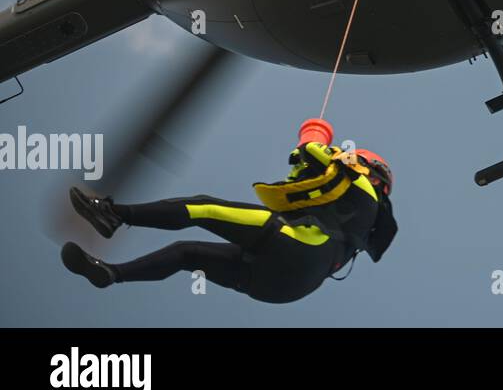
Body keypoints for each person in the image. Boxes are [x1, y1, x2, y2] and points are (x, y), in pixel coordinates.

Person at [60, 119, 396, 304]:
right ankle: (111, 274)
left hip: (297, 246)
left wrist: (314, 131)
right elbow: (306, 181)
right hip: (283, 288)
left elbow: (313, 150)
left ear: (369, 169)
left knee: (205, 208)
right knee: (187, 254)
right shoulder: (360, 217)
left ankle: (115, 214)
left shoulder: (364, 188)